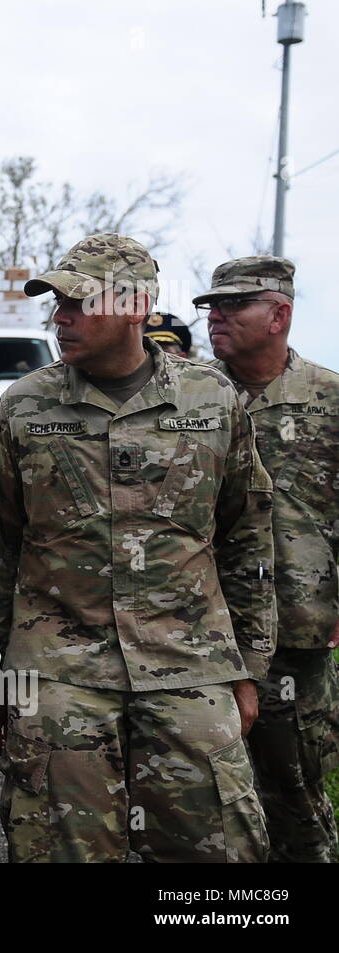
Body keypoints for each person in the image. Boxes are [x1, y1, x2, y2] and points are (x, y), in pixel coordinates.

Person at [0, 233, 276, 863]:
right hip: (56, 674)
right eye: (56, 302)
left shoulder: (212, 401)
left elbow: (247, 535)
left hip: (190, 668)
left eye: (78, 302)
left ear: (138, 305)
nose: (61, 316)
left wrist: (251, 669)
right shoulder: (24, 406)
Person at [198, 255, 339, 862]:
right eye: (211, 306)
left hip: (297, 629)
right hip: (201, 633)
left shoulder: (330, 400)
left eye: (234, 305)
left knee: (296, 794)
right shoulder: (188, 401)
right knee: (203, 805)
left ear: (279, 313)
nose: (216, 318)